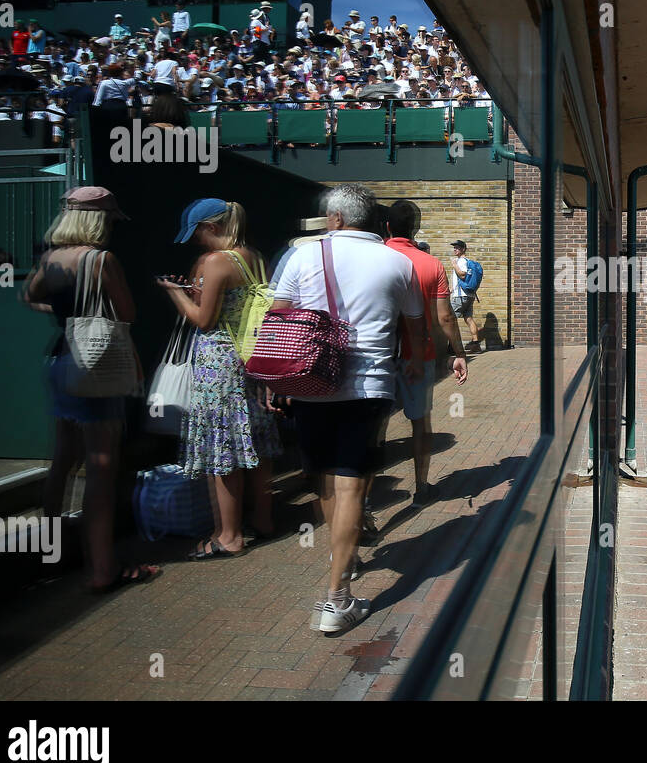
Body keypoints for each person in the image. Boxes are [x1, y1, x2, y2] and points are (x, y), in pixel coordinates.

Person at [270, 184, 425, 635]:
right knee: (353, 482)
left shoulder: (302, 256)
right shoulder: (398, 262)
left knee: (321, 476)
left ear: (335, 218)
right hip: (369, 384)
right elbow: (413, 324)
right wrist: (413, 364)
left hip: (311, 381)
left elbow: (279, 316)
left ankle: (346, 562)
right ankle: (336, 597)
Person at [22, 187, 160, 591]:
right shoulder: (101, 260)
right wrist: (91, 314)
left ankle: (49, 557)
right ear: (98, 220)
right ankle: (101, 569)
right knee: (100, 468)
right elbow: (128, 314)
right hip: (94, 369)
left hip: (59, 359)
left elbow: (29, 297)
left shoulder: (50, 259)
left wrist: (68, 315)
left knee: (63, 460)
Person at [159, 199, 281, 559]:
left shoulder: (216, 262)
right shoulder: (255, 257)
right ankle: (264, 520)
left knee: (222, 449)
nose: (195, 241)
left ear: (211, 227)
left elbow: (203, 319)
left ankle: (228, 536)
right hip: (250, 359)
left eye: (197, 232)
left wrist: (174, 292)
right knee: (256, 443)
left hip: (218, 365)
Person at [383, 199, 468, 506]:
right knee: (420, 422)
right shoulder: (430, 263)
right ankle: (421, 488)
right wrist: (458, 352)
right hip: (419, 354)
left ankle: (363, 503)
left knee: (373, 427)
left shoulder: (375, 257)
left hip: (376, 355)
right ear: (415, 228)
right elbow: (445, 317)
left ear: (388, 226)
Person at [449, 239, 482, 350]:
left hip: (460, 296)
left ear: (463, 249)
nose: (455, 249)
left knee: (450, 319)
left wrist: (454, 265)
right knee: (468, 319)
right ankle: (476, 343)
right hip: (469, 295)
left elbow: (462, 275)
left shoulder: (461, 261)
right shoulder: (466, 261)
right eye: (454, 247)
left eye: (457, 247)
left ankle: (453, 346)